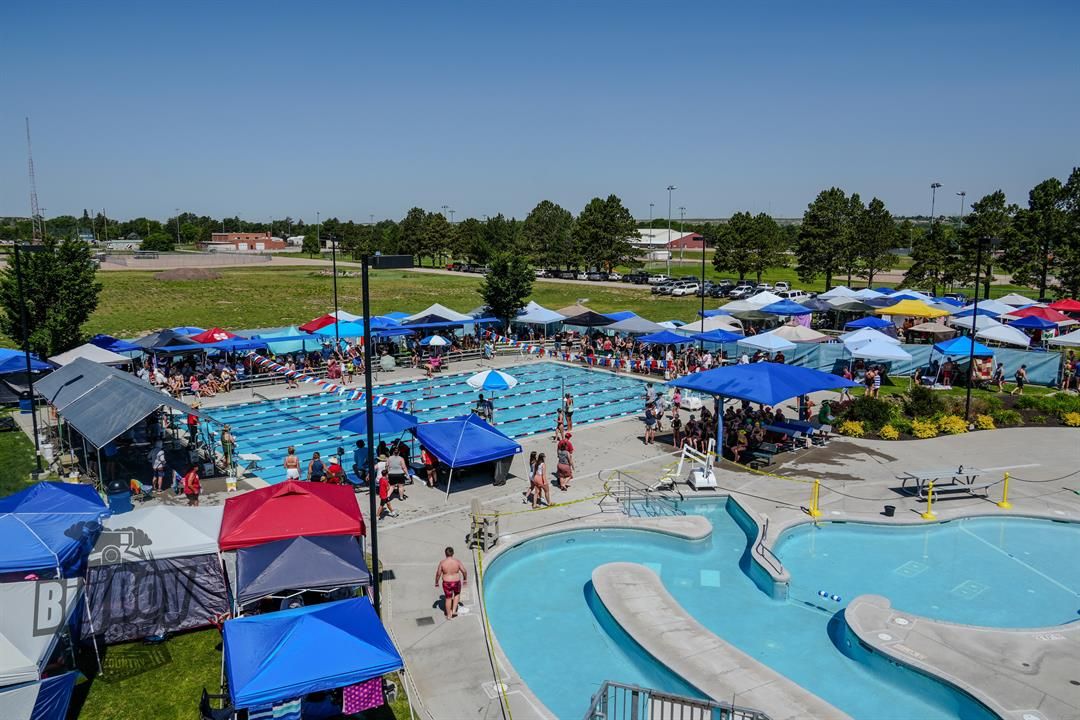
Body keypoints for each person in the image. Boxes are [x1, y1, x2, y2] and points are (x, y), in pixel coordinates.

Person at [435, 546, 467, 620]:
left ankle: (449, 615)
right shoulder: (457, 562)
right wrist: (465, 579)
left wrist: (436, 582)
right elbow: (464, 571)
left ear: (445, 554)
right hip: (456, 582)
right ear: (453, 553)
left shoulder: (442, 562)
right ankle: (454, 611)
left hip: (447, 583)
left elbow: (438, 573)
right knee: (456, 594)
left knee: (448, 598)